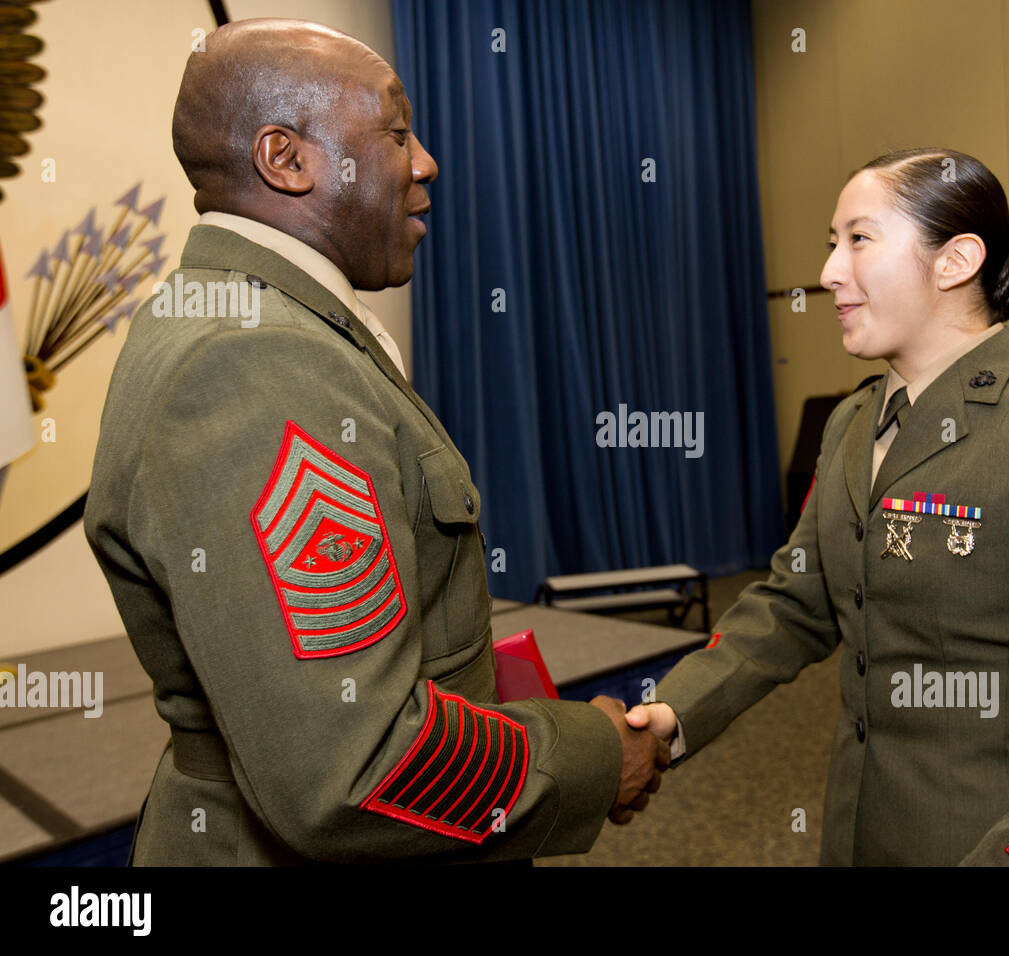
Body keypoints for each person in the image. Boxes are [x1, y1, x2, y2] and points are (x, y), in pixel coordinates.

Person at [84, 19, 666, 865]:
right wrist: (590, 756)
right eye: (395, 132)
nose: (425, 160)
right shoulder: (255, 361)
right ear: (286, 159)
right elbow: (354, 767)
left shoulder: (240, 317)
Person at [627, 148, 1009, 866]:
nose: (829, 273)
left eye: (859, 240)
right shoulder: (851, 421)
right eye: (831, 245)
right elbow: (794, 601)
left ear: (955, 259)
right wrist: (672, 713)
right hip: (860, 829)